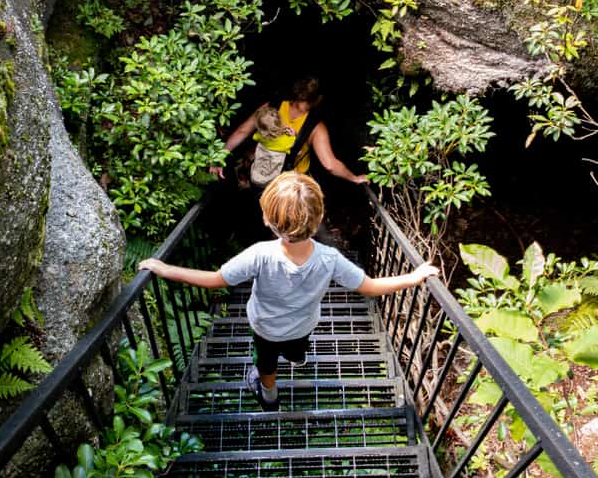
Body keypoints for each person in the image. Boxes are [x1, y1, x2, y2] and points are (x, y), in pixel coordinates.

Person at [139, 172, 438, 412]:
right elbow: (370, 286)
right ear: (319, 219)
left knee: (266, 363)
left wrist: (166, 269)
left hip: (266, 329)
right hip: (303, 324)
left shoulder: (259, 254)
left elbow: (217, 280)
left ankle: (268, 395)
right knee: (297, 346)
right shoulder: (330, 260)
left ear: (268, 220)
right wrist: (413, 277)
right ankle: (296, 358)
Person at [210, 76, 368, 186]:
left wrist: (220, 157)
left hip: (262, 176)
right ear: (319, 99)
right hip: (292, 183)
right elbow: (330, 165)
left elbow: (243, 131)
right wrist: (354, 178)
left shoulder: (272, 106)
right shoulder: (316, 128)